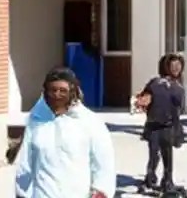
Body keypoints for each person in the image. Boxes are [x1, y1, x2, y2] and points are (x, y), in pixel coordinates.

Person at [14, 67, 116, 198]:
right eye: (53, 90)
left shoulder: (90, 122)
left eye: (62, 90)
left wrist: (101, 192)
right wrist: (21, 193)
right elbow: (25, 162)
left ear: (73, 92)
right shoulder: (36, 120)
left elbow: (104, 163)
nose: (57, 95)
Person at [135, 54, 185, 195]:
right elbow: (145, 97)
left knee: (167, 155)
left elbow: (177, 110)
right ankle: (150, 178)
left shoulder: (178, 86)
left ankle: (167, 180)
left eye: (179, 65)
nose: (176, 68)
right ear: (166, 67)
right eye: (173, 65)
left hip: (169, 125)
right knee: (154, 154)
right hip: (154, 125)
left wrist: (178, 130)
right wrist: (142, 102)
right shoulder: (155, 83)